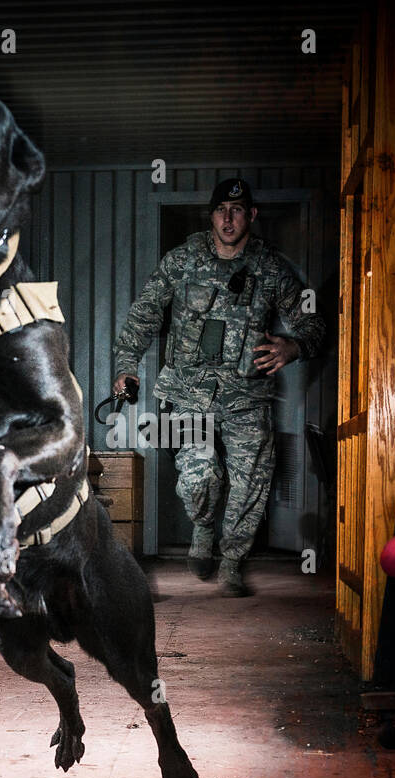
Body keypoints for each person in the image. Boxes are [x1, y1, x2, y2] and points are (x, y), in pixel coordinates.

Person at [111, 178, 324, 596]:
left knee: (252, 482)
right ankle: (204, 526)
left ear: (251, 215)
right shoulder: (181, 261)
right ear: (211, 215)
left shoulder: (271, 269)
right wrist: (126, 367)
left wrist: (294, 345)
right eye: (221, 210)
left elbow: (313, 321)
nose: (229, 219)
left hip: (247, 397)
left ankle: (231, 563)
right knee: (198, 478)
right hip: (189, 394)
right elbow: (143, 316)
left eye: (238, 210)